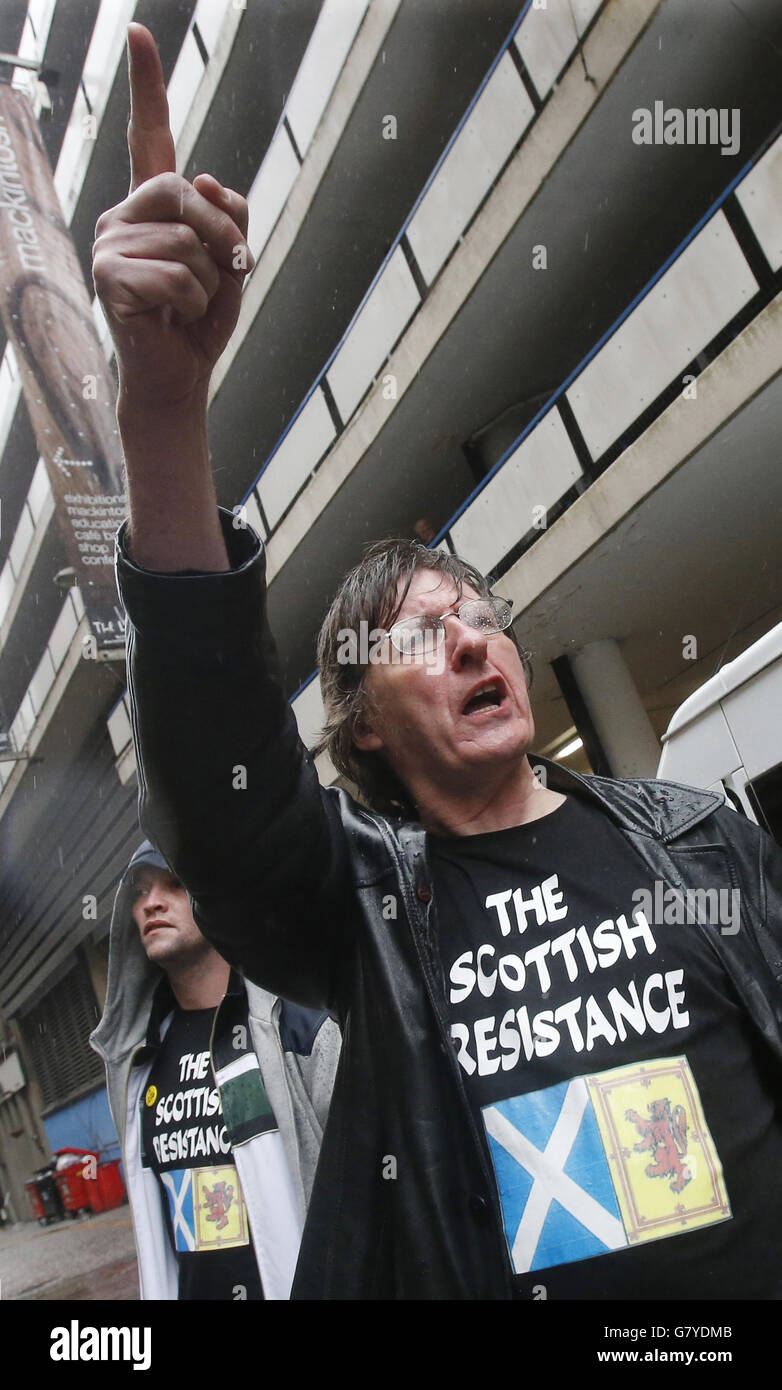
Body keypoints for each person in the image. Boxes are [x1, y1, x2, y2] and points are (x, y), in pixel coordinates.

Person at [94, 24, 782, 1299]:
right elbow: (214, 778)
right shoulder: (363, 913)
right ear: (360, 723)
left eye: (477, 612)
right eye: (419, 631)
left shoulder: (701, 842)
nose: (471, 634)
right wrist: (161, 409)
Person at [90, 840, 340, 1300]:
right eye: (140, 892)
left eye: (173, 884)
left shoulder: (299, 1031)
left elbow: (369, 1190)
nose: (151, 903)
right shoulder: (137, 1063)